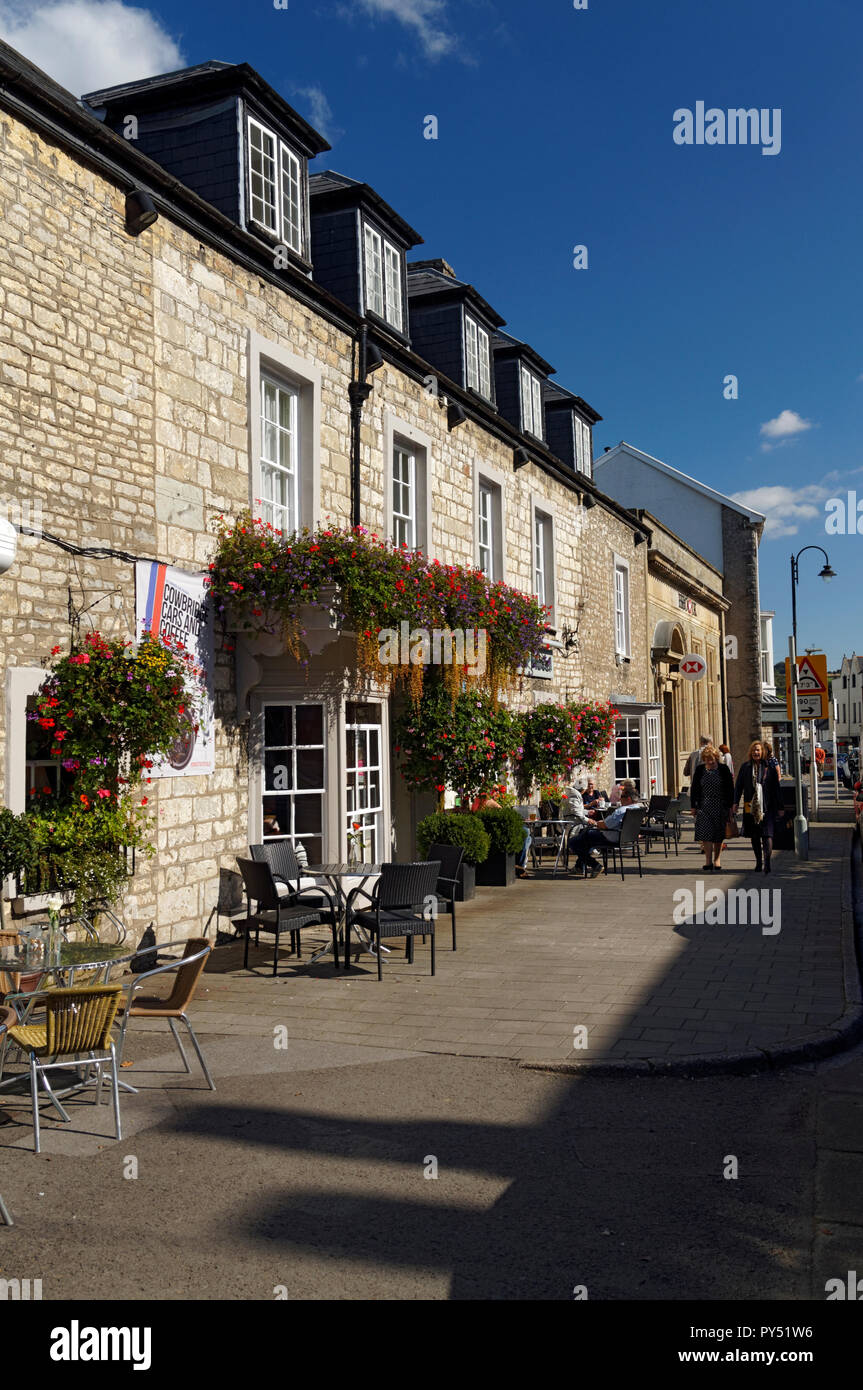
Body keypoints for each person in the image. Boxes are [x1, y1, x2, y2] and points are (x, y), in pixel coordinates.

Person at [570, 780, 644, 878]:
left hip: (611, 837)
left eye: (622, 797)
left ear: (629, 799)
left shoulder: (622, 810)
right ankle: (579, 866)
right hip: (628, 838)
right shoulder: (639, 808)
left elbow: (605, 825)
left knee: (574, 841)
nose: (620, 799)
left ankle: (595, 865)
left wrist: (596, 823)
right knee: (585, 840)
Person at [733, 740, 783, 874]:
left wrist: (780, 807)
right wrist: (735, 803)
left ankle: (767, 863)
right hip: (751, 806)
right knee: (754, 836)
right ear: (751, 752)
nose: (756, 752)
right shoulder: (745, 767)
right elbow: (738, 787)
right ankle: (758, 862)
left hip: (767, 806)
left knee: (767, 835)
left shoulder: (769, 767)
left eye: (758, 750)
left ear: (762, 752)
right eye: (754, 750)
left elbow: (776, 789)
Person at [690, 743, 735, 871]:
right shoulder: (700, 770)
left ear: (716, 757)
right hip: (704, 805)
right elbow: (694, 789)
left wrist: (731, 806)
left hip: (720, 805)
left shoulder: (723, 769)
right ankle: (708, 861)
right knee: (706, 834)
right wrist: (693, 806)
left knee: (718, 834)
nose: (709, 761)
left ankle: (717, 860)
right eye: (706, 759)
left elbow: (730, 789)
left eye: (711, 758)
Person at [472, 789, 533, 879]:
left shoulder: (478, 801)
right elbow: (503, 813)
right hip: (498, 831)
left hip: (496, 829)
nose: (498, 792)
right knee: (526, 833)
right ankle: (520, 866)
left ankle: (520, 865)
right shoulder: (489, 802)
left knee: (528, 838)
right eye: (496, 790)